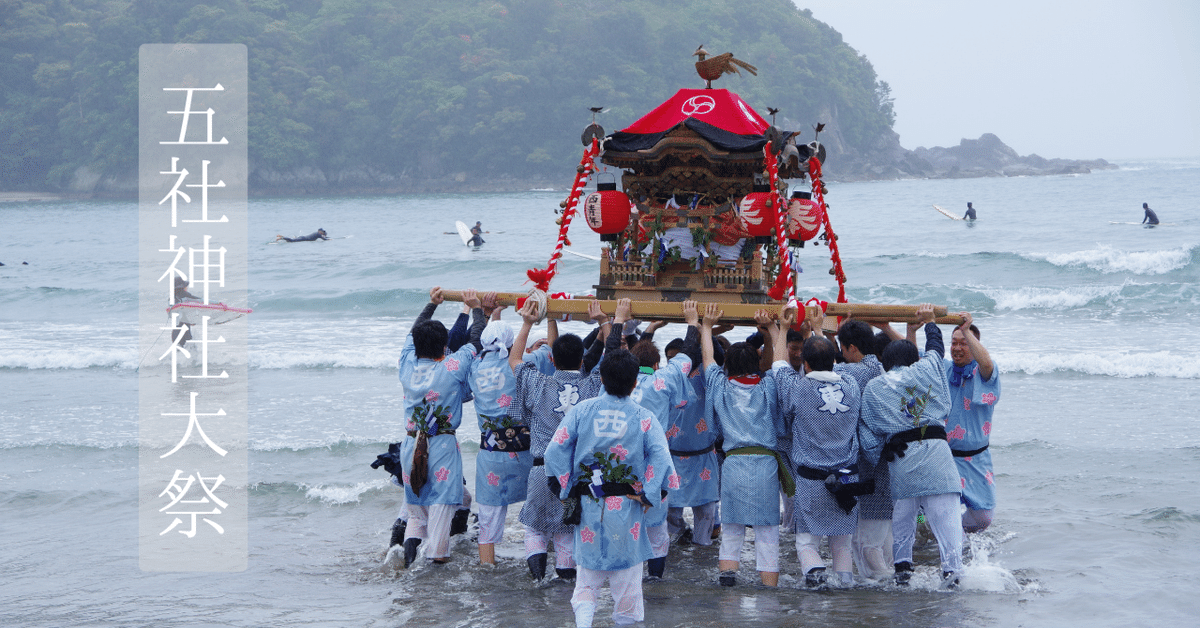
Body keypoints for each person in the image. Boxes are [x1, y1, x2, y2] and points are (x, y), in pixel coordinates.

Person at [543, 349, 673, 628]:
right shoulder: (644, 416)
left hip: (589, 504)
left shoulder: (582, 410)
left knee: (587, 581)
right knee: (627, 587)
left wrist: (567, 487)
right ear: (635, 382)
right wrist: (649, 493)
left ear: (600, 377)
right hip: (627, 506)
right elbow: (661, 455)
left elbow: (554, 450)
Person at [858, 304, 964, 588]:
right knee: (948, 528)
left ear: (885, 363)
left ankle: (903, 574)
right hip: (937, 458)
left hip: (901, 462)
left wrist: (880, 453)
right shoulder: (925, 369)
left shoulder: (874, 388)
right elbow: (935, 348)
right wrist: (930, 322)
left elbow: (867, 435)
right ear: (912, 359)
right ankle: (952, 576)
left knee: (903, 526)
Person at [509, 299, 609, 580]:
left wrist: (529, 323)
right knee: (567, 530)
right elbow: (611, 358)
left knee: (535, 528)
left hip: (542, 470)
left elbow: (515, 359)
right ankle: (565, 585)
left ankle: (539, 583)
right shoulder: (592, 385)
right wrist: (605, 323)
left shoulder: (539, 382)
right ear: (582, 360)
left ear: (551, 359)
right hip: (576, 473)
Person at [770, 308, 864, 588]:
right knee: (842, 543)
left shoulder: (799, 388)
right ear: (834, 362)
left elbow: (778, 365)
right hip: (848, 476)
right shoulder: (851, 385)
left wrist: (784, 329)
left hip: (813, 479)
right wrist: (820, 329)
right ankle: (845, 587)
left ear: (806, 364)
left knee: (806, 541)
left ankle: (816, 577)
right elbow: (830, 363)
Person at [397, 287, 486, 567]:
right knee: (441, 509)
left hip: (411, 445)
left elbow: (414, 333)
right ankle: (433, 578)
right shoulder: (450, 366)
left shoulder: (406, 364)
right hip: (442, 448)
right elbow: (477, 341)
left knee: (416, 513)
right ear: (444, 346)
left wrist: (431, 305)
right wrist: (476, 308)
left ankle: (409, 566)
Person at [701, 304, 789, 587]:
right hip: (765, 464)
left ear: (728, 364)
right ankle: (769, 591)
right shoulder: (768, 386)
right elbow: (780, 366)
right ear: (757, 361)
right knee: (767, 532)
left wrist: (705, 326)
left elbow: (708, 361)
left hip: (734, 464)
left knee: (732, 529)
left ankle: (727, 586)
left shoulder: (720, 386)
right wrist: (775, 329)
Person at [607, 299, 692, 579]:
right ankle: (655, 581)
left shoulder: (620, 379)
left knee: (623, 525)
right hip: (656, 465)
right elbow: (687, 357)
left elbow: (610, 356)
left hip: (621, 462)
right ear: (657, 363)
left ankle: (622, 577)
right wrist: (694, 322)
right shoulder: (663, 379)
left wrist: (618, 319)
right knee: (657, 531)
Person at [466, 299, 536, 565]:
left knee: (488, 522)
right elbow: (552, 352)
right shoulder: (522, 364)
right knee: (536, 515)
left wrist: (489, 315)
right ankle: (540, 564)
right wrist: (535, 322)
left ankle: (487, 568)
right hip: (524, 454)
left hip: (491, 456)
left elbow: (482, 344)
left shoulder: (474, 367)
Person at [835, 318, 895, 581]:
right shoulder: (885, 371)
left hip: (865, 467)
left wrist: (814, 333)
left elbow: (820, 373)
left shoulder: (853, 373)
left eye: (842, 349)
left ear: (851, 348)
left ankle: (888, 590)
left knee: (865, 544)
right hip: (888, 464)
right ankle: (895, 580)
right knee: (883, 539)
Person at [664, 305, 721, 550]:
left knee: (706, 511)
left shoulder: (705, 376)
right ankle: (676, 538)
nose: (675, 365)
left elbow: (715, 356)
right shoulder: (664, 378)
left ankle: (702, 546)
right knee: (669, 510)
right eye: (669, 360)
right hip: (673, 457)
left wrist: (704, 330)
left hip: (703, 456)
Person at [943, 312, 1000, 533]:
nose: (957, 348)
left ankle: (955, 529)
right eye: (954, 343)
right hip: (943, 457)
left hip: (976, 457)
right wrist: (901, 328)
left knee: (983, 517)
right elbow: (913, 357)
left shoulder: (983, 372)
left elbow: (986, 363)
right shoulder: (944, 368)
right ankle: (926, 528)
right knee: (922, 513)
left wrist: (966, 329)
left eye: (963, 343)